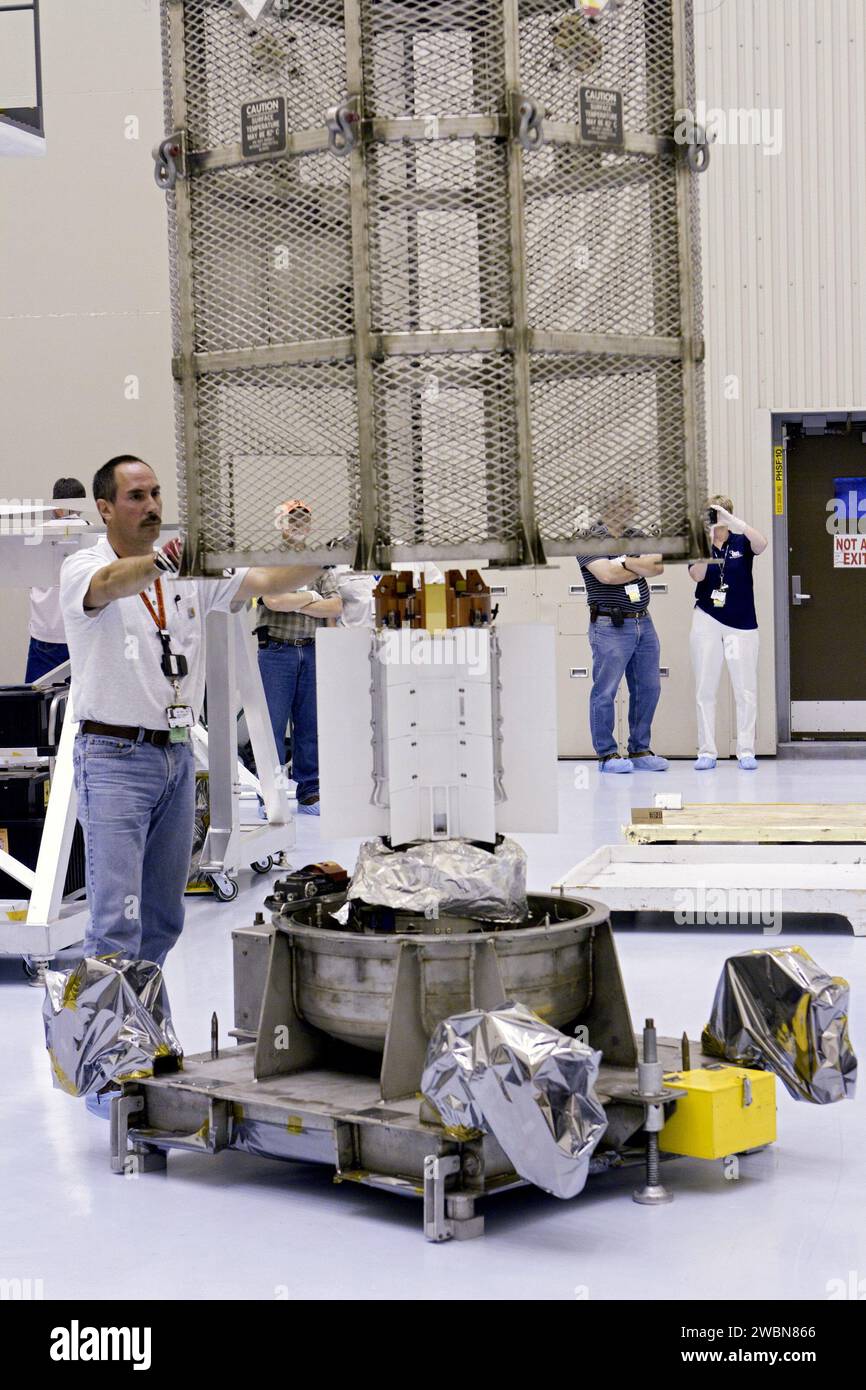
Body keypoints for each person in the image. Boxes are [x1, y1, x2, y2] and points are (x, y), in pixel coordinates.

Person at [59, 456, 322, 980]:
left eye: (156, 493)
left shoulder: (191, 572)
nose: (152, 505)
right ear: (105, 508)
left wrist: (325, 549)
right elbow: (110, 583)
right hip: (113, 760)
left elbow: (270, 578)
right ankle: (102, 1032)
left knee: (162, 919)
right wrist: (159, 563)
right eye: (137, 496)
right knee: (115, 924)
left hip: (176, 757)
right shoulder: (83, 567)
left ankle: (142, 1018)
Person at [254, 501, 342, 816]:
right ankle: (272, 797)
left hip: (312, 650)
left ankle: (310, 792)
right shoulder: (269, 559)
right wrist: (313, 597)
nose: (299, 526)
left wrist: (295, 600)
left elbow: (335, 606)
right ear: (280, 523)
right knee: (272, 728)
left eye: (304, 520)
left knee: (310, 726)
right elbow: (272, 600)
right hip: (276, 652)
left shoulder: (317, 562)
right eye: (293, 520)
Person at [576, 528, 668, 774]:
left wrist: (623, 562)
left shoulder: (634, 533)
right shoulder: (588, 538)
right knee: (605, 691)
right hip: (610, 625)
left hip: (643, 622)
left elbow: (657, 566)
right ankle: (606, 755)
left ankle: (639, 750)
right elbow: (607, 575)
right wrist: (637, 565)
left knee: (648, 688)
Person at [688, 496, 767, 770]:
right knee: (705, 687)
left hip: (741, 622)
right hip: (707, 618)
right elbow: (697, 576)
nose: (716, 520)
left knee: (745, 689)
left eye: (720, 514)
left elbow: (762, 544)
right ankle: (707, 751)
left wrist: (737, 524)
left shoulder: (742, 541)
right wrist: (708, 539)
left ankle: (746, 749)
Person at [25, 478, 88, 683]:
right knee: (82, 696)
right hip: (83, 631)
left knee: (39, 696)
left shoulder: (36, 535)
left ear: (56, 504)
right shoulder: (93, 534)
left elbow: (26, 576)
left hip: (45, 632)